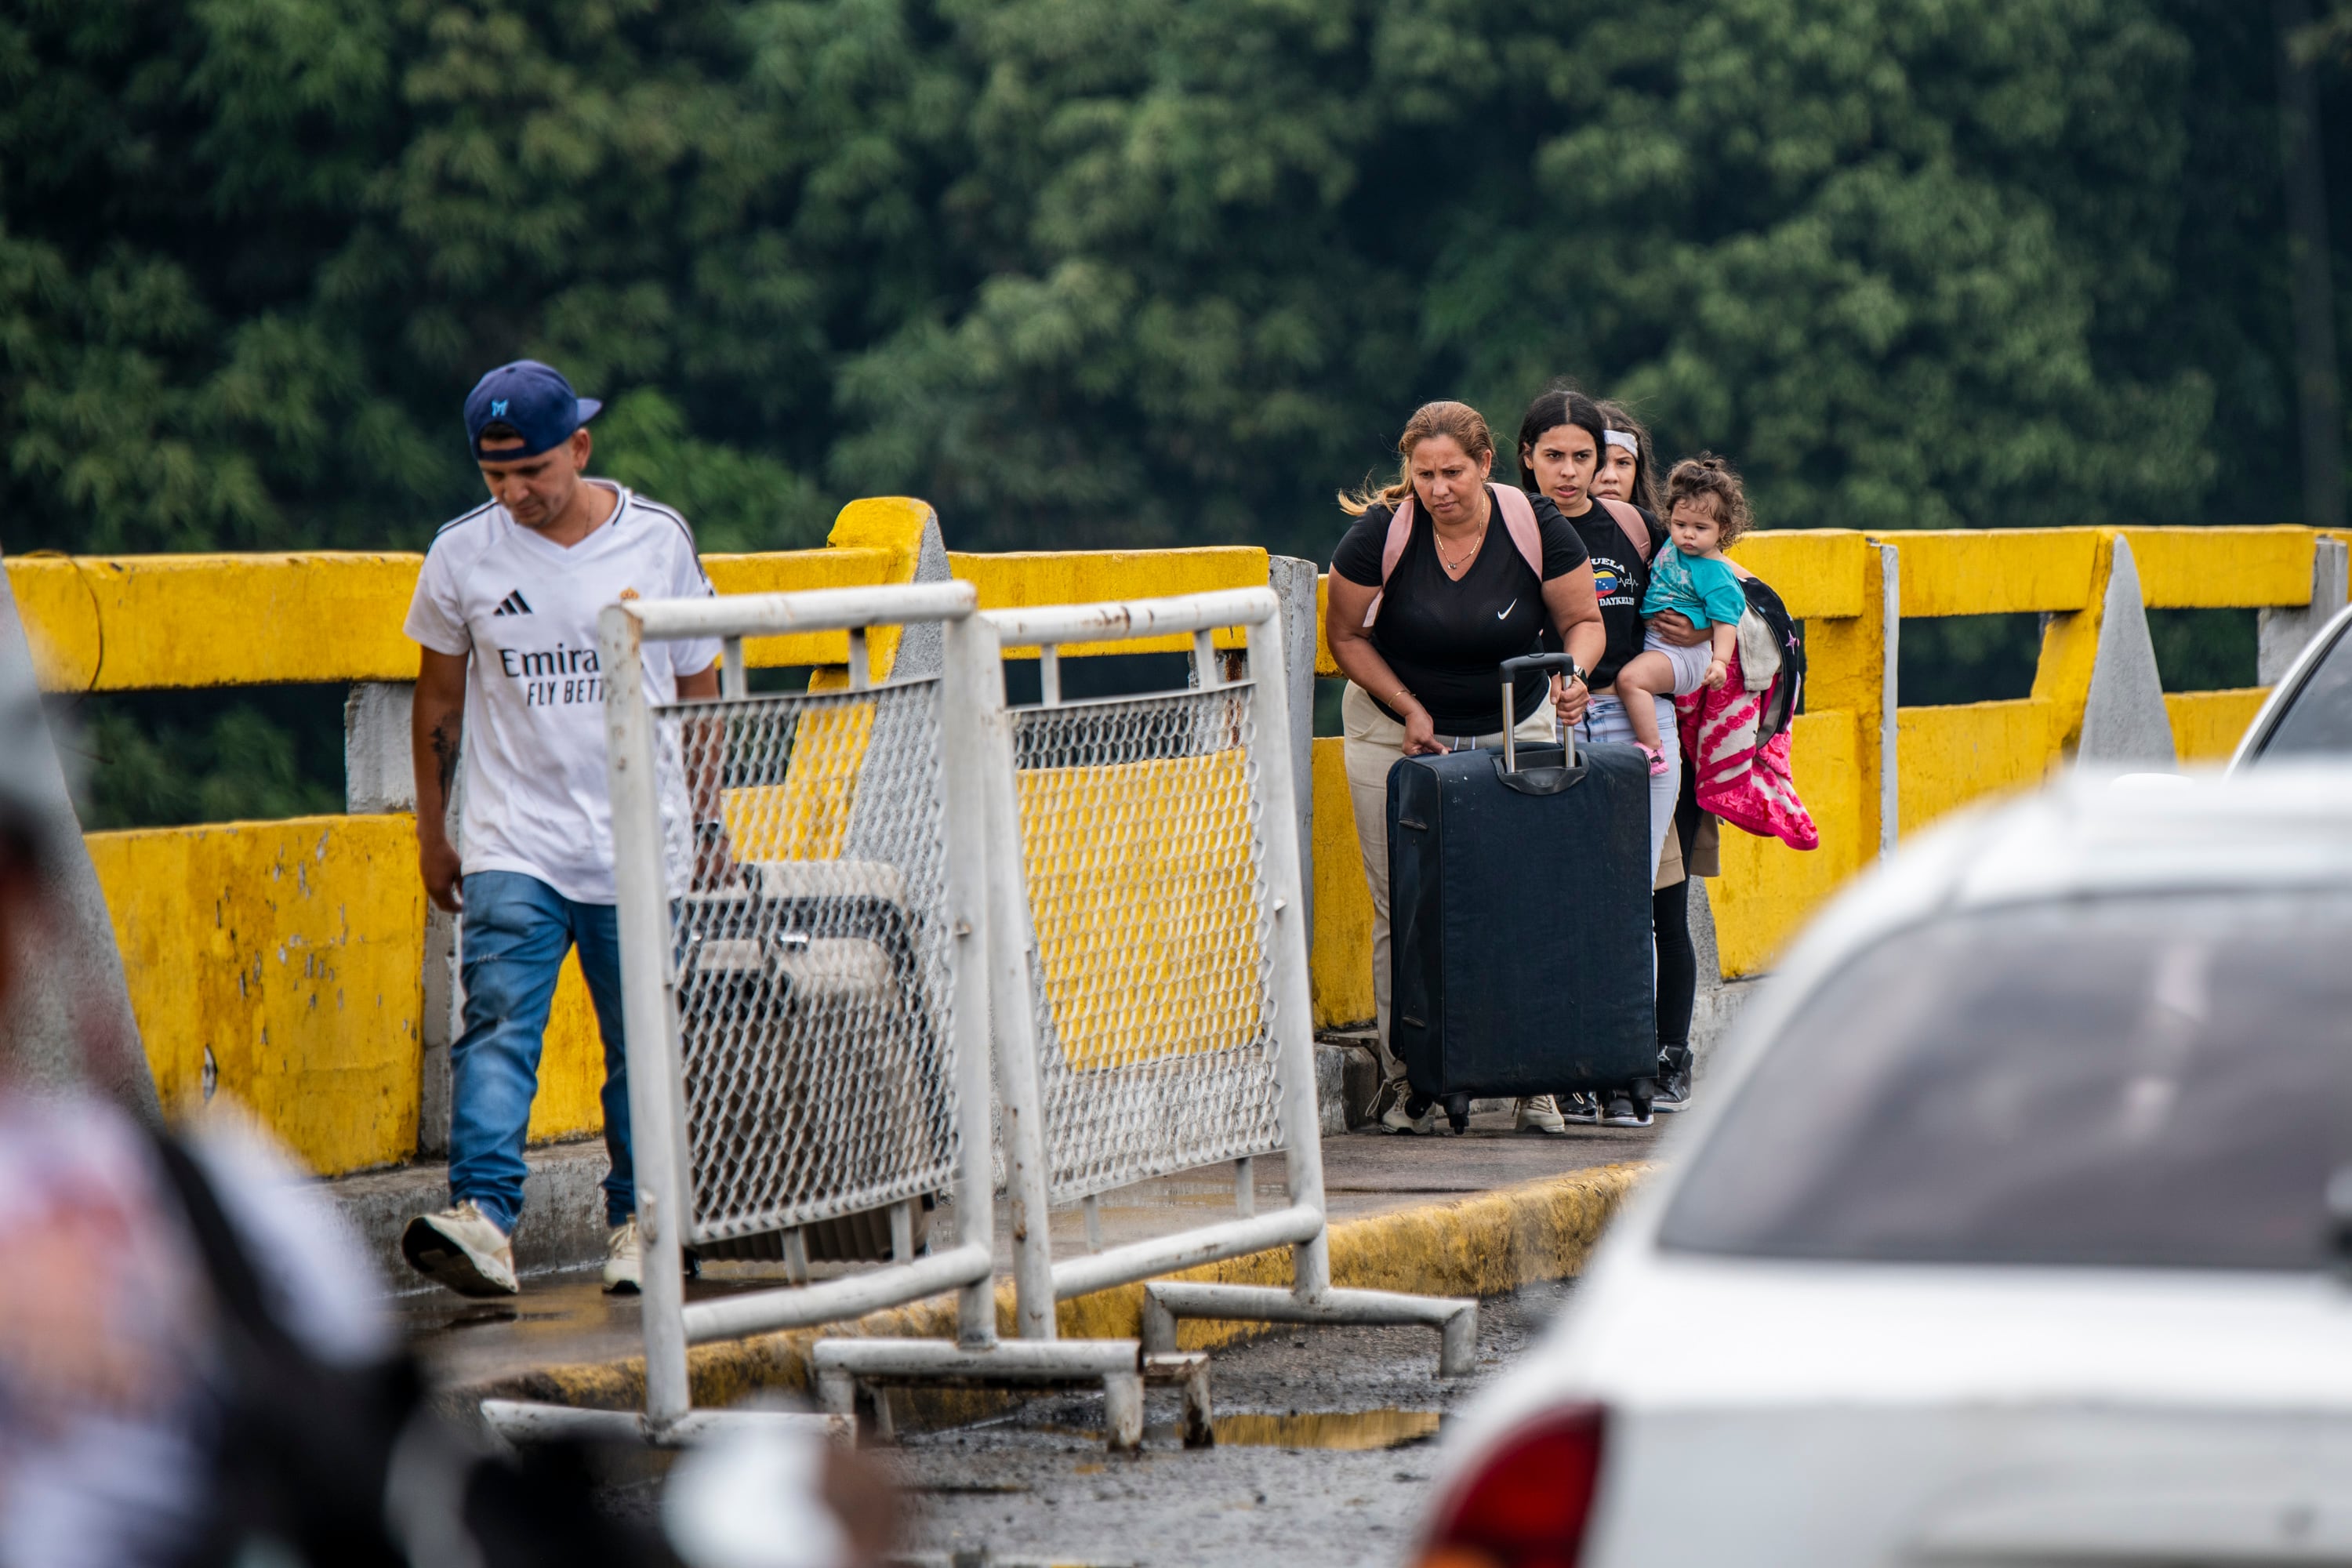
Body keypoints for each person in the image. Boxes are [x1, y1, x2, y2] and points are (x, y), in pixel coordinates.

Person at [401, 360, 724, 1298]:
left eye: (532, 470)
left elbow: (699, 677)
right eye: (495, 474)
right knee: (498, 1025)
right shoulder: (462, 554)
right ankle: (486, 1220)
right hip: (516, 840)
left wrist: (707, 818)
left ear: (579, 447)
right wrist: (435, 831)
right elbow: (440, 696)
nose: (515, 493)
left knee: (642, 1040)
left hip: (642, 838)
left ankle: (641, 1219)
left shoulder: (657, 542)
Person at [1325, 401, 1608, 1135]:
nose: (1439, 488)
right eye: (1424, 475)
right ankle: (1405, 1076)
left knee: (1525, 899)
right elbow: (1344, 636)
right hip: (1397, 729)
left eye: (1453, 472)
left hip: (1515, 723)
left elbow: (1584, 622)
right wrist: (1409, 706)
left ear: (1486, 464)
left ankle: (1533, 1078)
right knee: (1406, 907)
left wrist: (1573, 675)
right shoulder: (1380, 535)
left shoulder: (1535, 526)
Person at [1512, 387, 1680, 1127]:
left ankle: (1628, 1069)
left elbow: (1705, 596)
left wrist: (1691, 635)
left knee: (1630, 898)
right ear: (1526, 458)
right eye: (1555, 457)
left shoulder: (1634, 527)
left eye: (1586, 457)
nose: (1572, 472)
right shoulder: (1509, 529)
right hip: (1543, 716)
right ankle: (1569, 1067)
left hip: (1636, 715)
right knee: (1561, 897)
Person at [1592, 400, 1704, 1116]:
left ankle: (1668, 1057)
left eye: (1622, 463)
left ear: (1642, 474)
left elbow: (1736, 610)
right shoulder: (1542, 536)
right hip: (1574, 725)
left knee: (1663, 907)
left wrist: (1696, 640)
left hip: (1650, 743)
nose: (1603, 475)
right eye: (1586, 459)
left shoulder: (1670, 546)